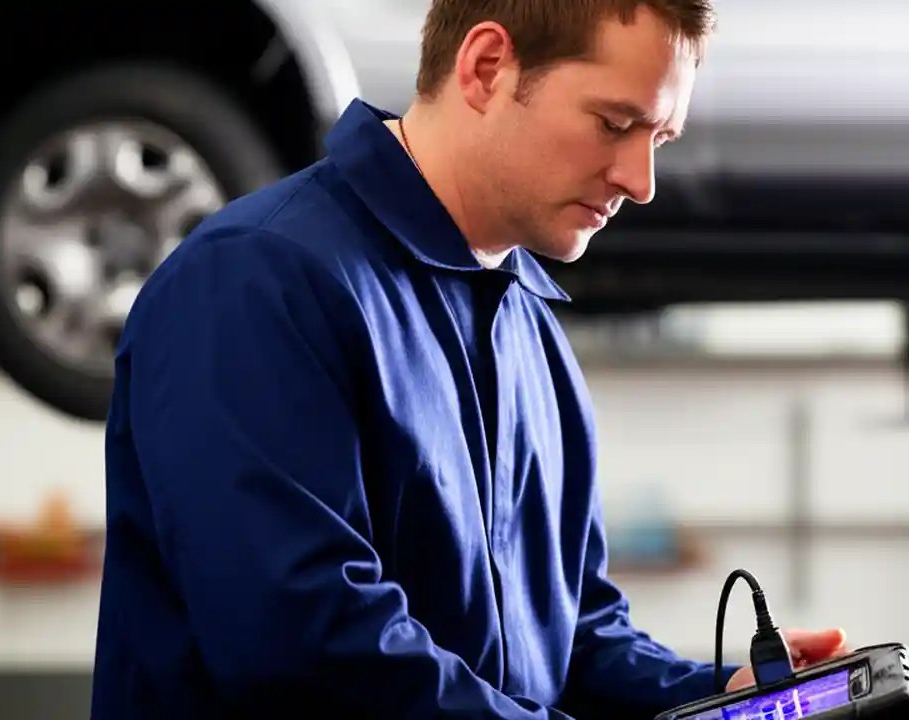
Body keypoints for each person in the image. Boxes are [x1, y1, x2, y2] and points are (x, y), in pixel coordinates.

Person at [90, 1, 850, 717]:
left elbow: (572, 636)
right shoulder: (257, 284)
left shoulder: (527, 321)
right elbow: (306, 650)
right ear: (487, 67)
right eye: (615, 123)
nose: (639, 181)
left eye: (658, 139)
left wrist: (723, 697)